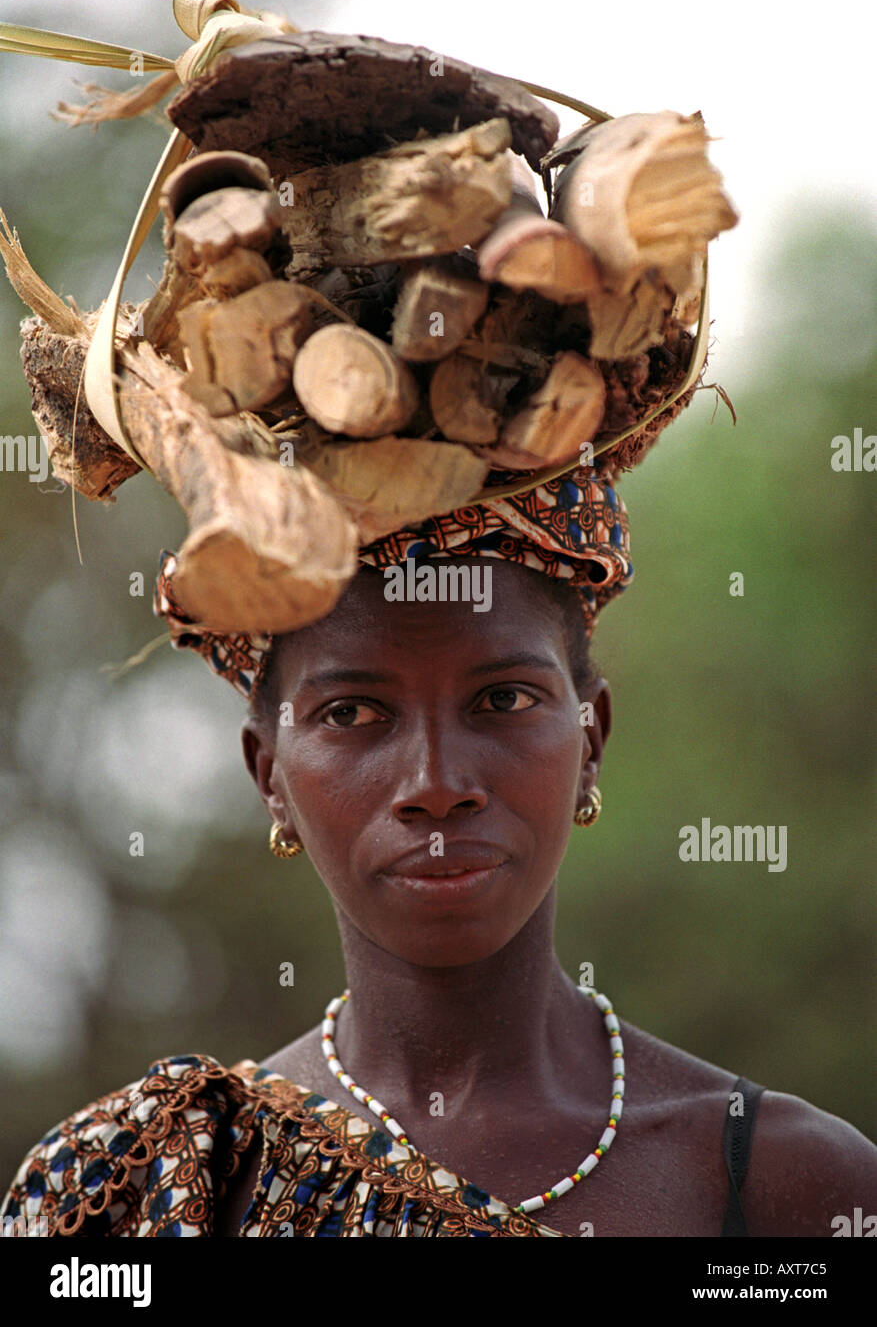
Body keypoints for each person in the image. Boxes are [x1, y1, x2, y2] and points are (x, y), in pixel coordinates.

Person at [2, 464, 875, 1239]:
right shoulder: (137, 1187)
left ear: (590, 742)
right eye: (350, 713)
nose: (435, 781)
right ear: (269, 778)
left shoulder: (784, 1184)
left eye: (502, 699)